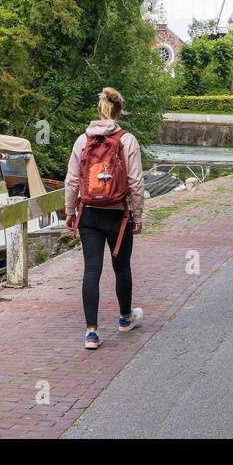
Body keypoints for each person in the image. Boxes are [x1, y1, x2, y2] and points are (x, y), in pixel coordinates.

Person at [64, 87, 144, 350]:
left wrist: (70, 212)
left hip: (88, 214)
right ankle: (124, 317)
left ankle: (91, 333)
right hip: (118, 215)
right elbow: (135, 182)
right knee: (121, 267)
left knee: (91, 270)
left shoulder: (82, 140)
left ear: (99, 111)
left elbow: (72, 181)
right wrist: (137, 214)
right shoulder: (127, 140)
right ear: (118, 112)